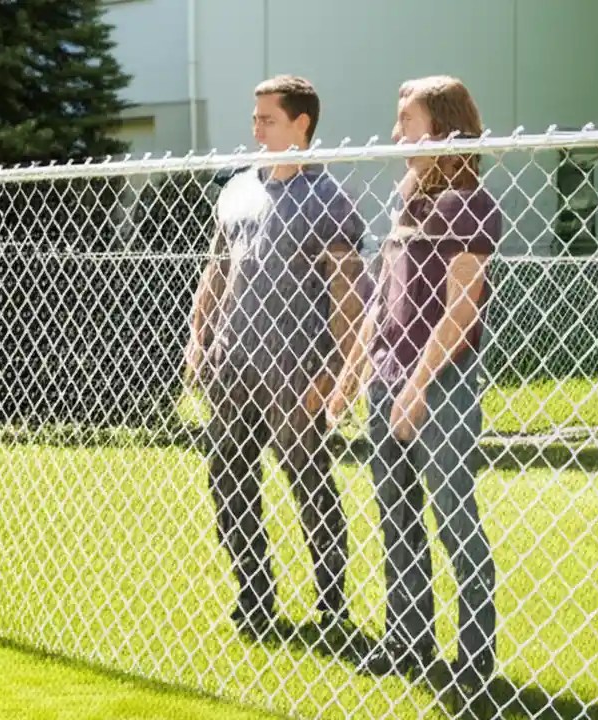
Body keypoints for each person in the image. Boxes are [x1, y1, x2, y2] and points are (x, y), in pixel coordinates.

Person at [328, 75, 500, 690]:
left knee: (454, 517)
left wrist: (419, 384)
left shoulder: (469, 204)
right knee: (395, 516)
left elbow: (462, 309)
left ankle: (476, 656)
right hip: (386, 378)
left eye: (409, 120)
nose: (397, 134)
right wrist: (352, 375)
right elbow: (380, 300)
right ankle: (408, 639)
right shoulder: (407, 200)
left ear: (446, 127)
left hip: (442, 385)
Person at [185, 75, 367, 638]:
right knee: (228, 476)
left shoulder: (329, 200)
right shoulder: (236, 190)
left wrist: (337, 372)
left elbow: (346, 296)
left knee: (308, 479)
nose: (255, 126)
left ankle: (331, 598)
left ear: (301, 125)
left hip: (298, 368)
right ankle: (254, 593)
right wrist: (198, 337)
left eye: (267, 118)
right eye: (255, 116)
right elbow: (216, 270)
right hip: (232, 364)